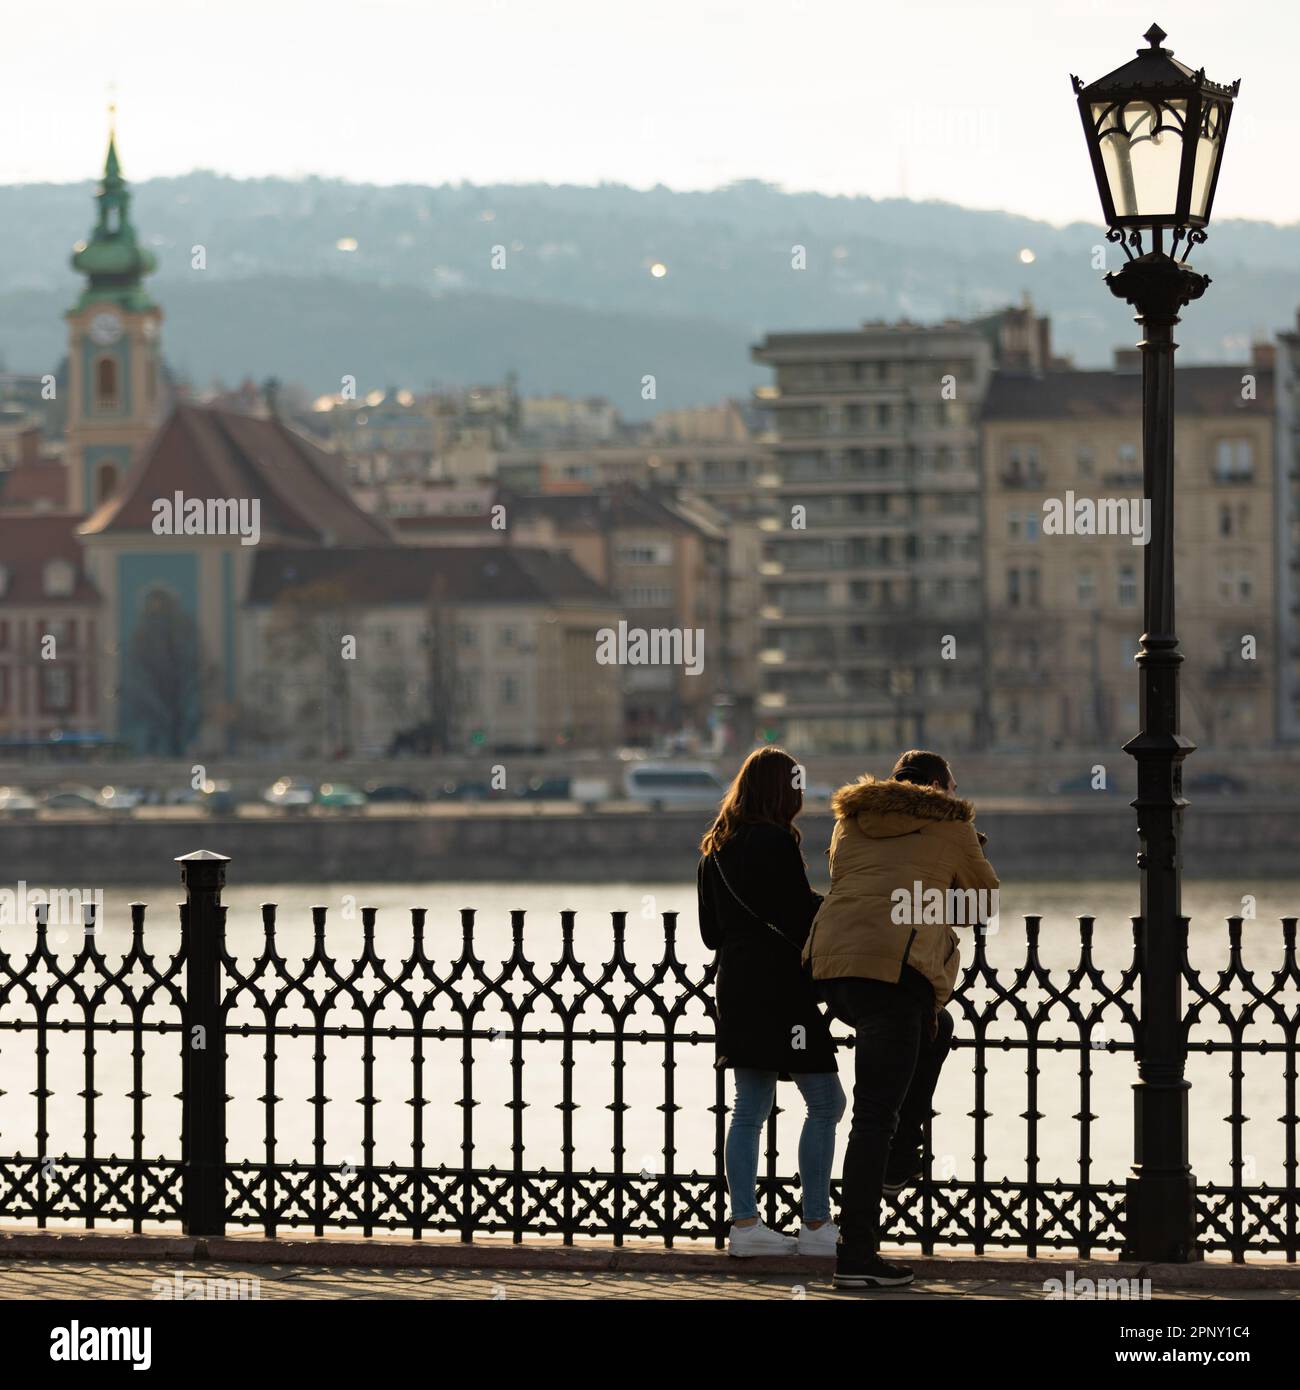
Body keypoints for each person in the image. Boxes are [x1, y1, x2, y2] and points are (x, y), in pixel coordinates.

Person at [804, 749, 998, 1289]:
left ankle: (900, 1152)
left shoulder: (850, 822)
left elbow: (858, 881)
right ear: (939, 786)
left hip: (834, 969)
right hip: (895, 973)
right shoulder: (953, 822)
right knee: (872, 1119)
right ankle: (857, 1255)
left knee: (935, 1030)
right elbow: (981, 906)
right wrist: (951, 877)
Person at [698, 746, 845, 1258]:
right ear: (784, 791)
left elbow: (709, 933)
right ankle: (816, 1223)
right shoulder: (776, 842)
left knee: (750, 1108)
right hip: (781, 991)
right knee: (827, 1102)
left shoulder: (714, 850)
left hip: (737, 989)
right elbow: (799, 917)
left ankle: (744, 1225)